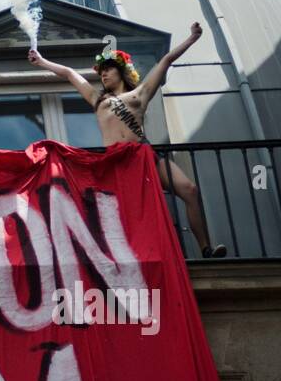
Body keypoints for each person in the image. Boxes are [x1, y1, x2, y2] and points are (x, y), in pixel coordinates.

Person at [28, 22, 228, 258]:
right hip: (117, 162)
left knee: (190, 189)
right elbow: (70, 74)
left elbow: (164, 61)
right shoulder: (96, 99)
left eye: (108, 69)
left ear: (121, 72)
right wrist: (41, 62)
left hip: (143, 155)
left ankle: (206, 248)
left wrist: (191, 38)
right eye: (101, 71)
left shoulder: (139, 94)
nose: (103, 74)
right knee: (123, 213)